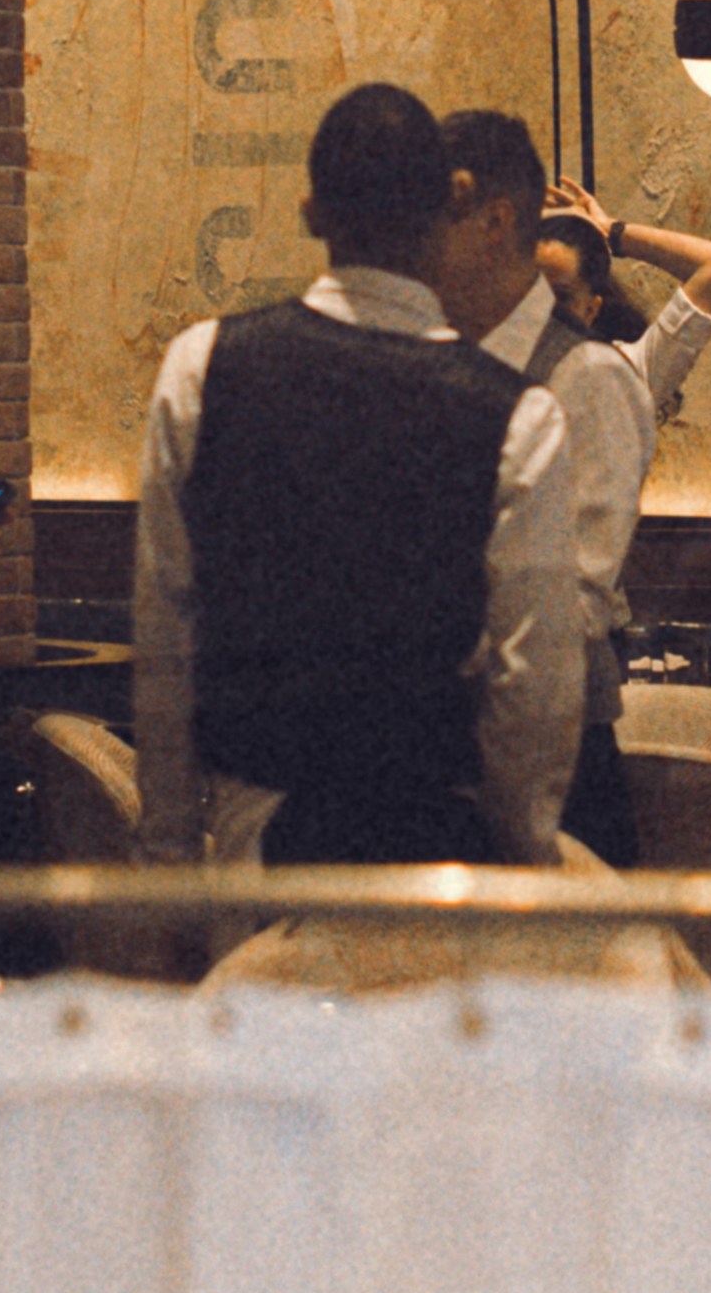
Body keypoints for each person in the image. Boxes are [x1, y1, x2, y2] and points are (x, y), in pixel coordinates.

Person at [131, 80, 581, 868]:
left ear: (310, 210)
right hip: (437, 844)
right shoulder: (517, 413)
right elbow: (534, 684)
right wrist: (522, 847)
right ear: (449, 203)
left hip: (252, 837)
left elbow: (167, 632)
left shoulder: (202, 365)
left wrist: (168, 850)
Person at [445, 113, 711, 860]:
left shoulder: (605, 373)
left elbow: (570, 601)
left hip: (558, 705)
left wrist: (613, 232)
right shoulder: (461, 367)